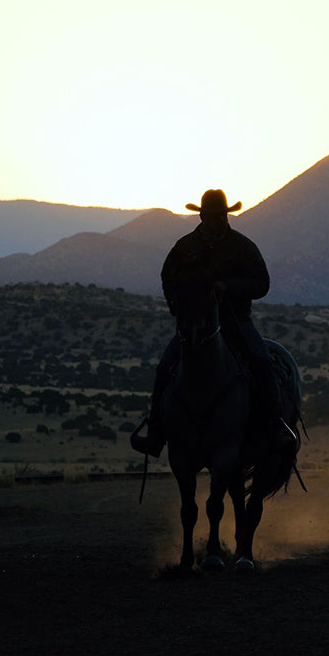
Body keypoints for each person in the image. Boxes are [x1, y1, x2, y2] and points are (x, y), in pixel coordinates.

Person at [130, 188, 295, 457]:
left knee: (261, 361)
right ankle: (157, 431)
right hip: (195, 323)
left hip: (235, 322)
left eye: (221, 216)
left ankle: (273, 426)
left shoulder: (243, 247)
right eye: (212, 216)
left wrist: (228, 287)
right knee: (164, 368)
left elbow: (261, 284)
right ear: (202, 216)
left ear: (226, 216)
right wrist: (177, 306)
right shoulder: (185, 248)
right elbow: (167, 277)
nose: (217, 221)